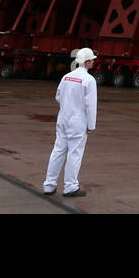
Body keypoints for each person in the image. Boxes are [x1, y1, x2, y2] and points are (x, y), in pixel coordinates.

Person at [43, 47, 98, 197]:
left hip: (63, 119)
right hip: (78, 122)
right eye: (92, 60)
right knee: (74, 153)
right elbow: (90, 106)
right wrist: (91, 126)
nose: (93, 62)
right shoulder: (89, 80)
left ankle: (49, 185)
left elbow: (58, 97)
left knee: (58, 151)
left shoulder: (66, 77)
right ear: (87, 62)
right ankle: (70, 186)